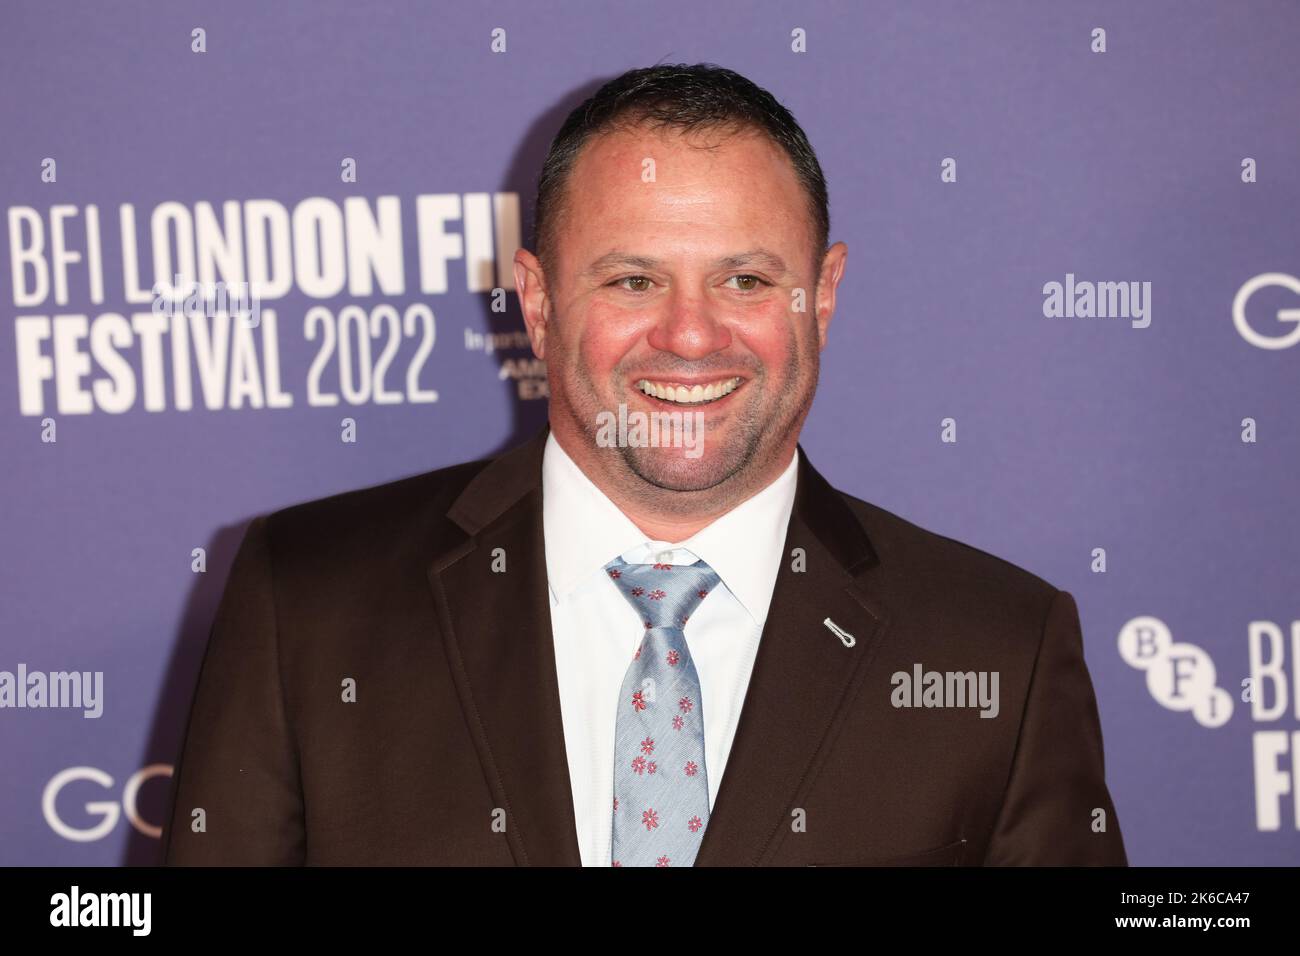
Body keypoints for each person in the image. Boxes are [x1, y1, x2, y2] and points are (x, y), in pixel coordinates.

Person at [162, 63, 1126, 866]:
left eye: (746, 280)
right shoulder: (309, 604)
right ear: (536, 303)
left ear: (822, 298)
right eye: (633, 280)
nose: (692, 335)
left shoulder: (999, 649)